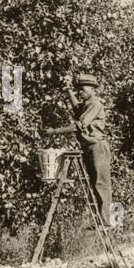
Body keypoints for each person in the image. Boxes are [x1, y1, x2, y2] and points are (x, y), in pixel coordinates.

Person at [45, 73, 113, 225]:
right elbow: (77, 108)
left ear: (92, 89)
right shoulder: (86, 105)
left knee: (101, 184)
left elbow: (78, 125)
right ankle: (100, 220)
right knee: (93, 183)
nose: (80, 92)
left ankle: (106, 221)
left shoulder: (95, 104)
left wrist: (55, 131)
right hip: (89, 147)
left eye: (82, 89)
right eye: (78, 90)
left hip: (97, 147)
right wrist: (68, 90)